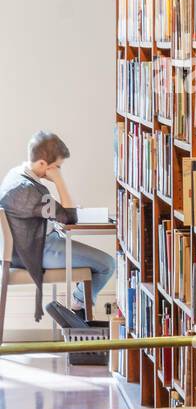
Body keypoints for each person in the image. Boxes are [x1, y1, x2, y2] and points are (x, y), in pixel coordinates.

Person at [0, 131, 115, 321]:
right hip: (38, 251)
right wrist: (60, 181)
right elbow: (69, 217)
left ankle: (76, 313)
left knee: (93, 261)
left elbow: (51, 214)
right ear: (43, 163)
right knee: (107, 265)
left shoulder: (16, 176)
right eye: (57, 167)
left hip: (25, 248)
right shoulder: (30, 190)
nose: (58, 171)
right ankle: (77, 306)